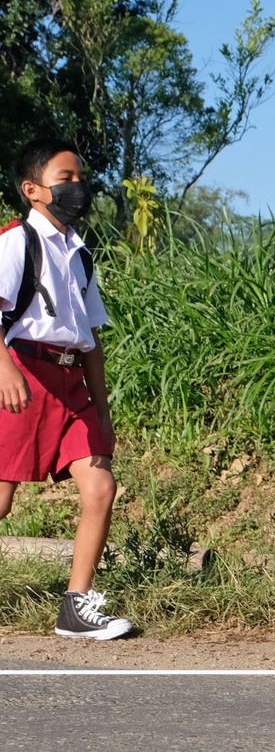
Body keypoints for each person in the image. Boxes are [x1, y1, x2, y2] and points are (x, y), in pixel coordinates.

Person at [0, 138, 132, 640]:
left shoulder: (80, 255)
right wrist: (6, 373)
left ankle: (76, 605)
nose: (78, 187)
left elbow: (92, 342)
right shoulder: (17, 242)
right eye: (65, 179)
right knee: (1, 501)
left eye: (81, 178)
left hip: (70, 380)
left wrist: (102, 412)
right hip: (23, 375)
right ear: (33, 190)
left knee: (100, 486)